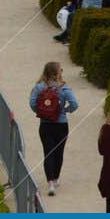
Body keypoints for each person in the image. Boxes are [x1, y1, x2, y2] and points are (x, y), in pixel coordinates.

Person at [29, 60, 80, 197]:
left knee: (48, 152)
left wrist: (41, 112)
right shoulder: (63, 88)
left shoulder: (39, 87)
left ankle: (50, 182)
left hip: (45, 125)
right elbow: (75, 104)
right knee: (59, 152)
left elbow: (32, 103)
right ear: (57, 73)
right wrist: (65, 110)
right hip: (61, 124)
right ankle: (56, 178)